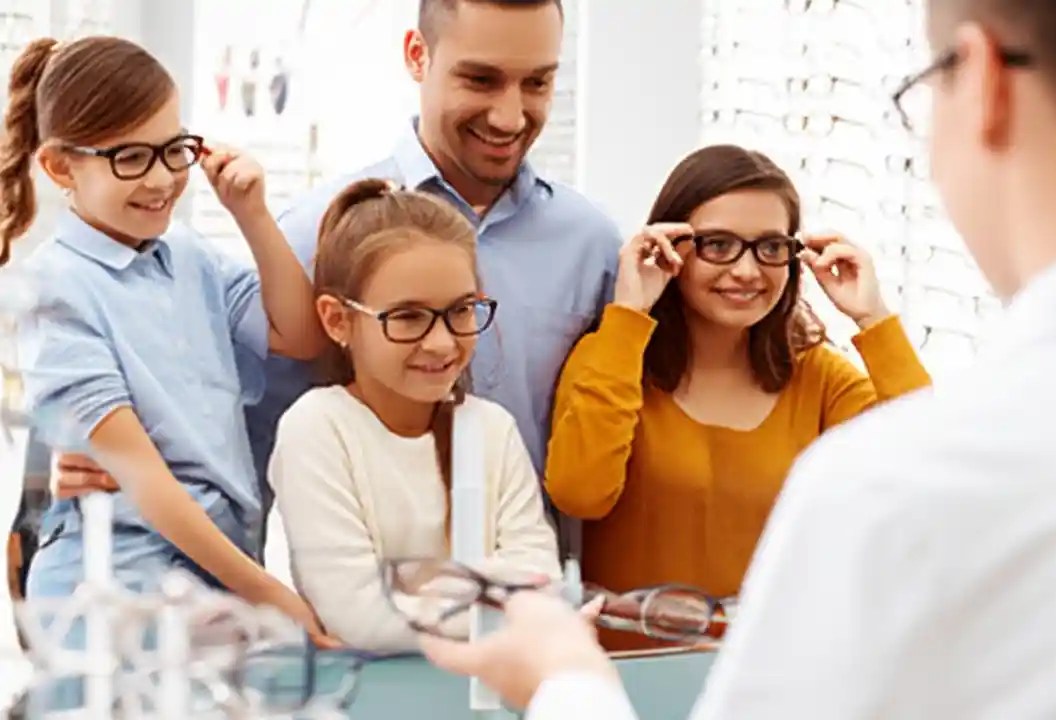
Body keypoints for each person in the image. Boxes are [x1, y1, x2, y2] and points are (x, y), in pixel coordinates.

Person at [419, 0, 1056, 717]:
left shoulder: (890, 479)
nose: (746, 270)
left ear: (980, 84)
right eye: (719, 245)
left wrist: (568, 684)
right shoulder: (900, 469)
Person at [51, 0, 620, 561]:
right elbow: (225, 422)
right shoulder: (312, 239)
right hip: (361, 621)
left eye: (537, 84)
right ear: (417, 56)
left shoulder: (592, 245)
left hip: (532, 610)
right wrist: (58, 483)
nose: (510, 116)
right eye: (480, 79)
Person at [0, 36, 330, 641]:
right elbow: (147, 483)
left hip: (213, 570)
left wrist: (251, 213)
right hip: (119, 580)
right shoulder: (58, 286)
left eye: (173, 150)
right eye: (130, 157)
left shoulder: (187, 251)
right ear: (59, 166)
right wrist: (271, 596)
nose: (161, 179)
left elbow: (302, 334)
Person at [544, 144, 930, 649]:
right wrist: (630, 312)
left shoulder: (817, 376)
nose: (748, 271)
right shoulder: (614, 356)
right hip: (633, 680)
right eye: (719, 245)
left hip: (772, 675)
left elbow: (923, 472)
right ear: (672, 246)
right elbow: (580, 492)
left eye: (770, 247)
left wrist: (873, 318)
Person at [268, 179, 560, 652]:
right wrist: (492, 603)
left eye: (462, 311)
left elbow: (539, 589)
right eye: (407, 318)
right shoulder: (318, 428)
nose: (442, 343)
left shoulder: (490, 429)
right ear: (338, 320)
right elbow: (360, 618)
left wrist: (422, 596)